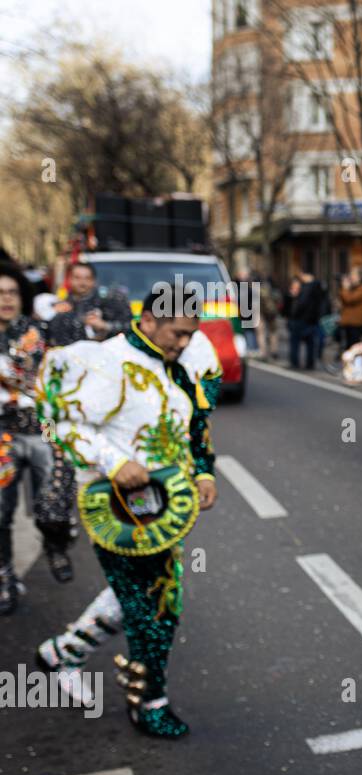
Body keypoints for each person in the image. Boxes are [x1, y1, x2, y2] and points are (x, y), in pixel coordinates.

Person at [39, 285, 219, 734]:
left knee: (138, 592)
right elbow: (55, 422)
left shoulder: (185, 361)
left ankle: (63, 653)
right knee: (159, 603)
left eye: (190, 335)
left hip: (167, 508)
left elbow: (196, 425)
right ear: (150, 319)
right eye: (176, 333)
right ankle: (149, 701)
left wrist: (203, 472)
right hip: (117, 507)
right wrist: (113, 462)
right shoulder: (104, 361)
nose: (183, 343)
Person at [1, 262, 83, 613]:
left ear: (22, 296)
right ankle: (4, 575)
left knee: (53, 502)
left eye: (11, 292)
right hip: (1, 432)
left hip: (43, 425)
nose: (5, 299)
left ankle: (55, 543)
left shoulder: (40, 331)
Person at [57, 261, 132, 341]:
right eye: (77, 278)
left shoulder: (109, 301)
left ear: (93, 280)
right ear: (69, 279)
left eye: (87, 278)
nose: (82, 283)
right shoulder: (60, 305)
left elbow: (130, 327)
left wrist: (105, 326)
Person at [288, 271, 326, 370]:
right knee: (311, 343)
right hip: (313, 320)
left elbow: (301, 304)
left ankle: (295, 362)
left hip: (301, 319)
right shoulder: (319, 287)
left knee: (295, 342)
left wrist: (294, 315)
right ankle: (310, 363)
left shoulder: (307, 288)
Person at [338, 268, 362, 351]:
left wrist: (345, 288)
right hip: (350, 323)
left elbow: (349, 299)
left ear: (360, 277)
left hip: (356, 324)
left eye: (353, 275)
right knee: (349, 347)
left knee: (354, 348)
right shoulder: (354, 288)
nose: (350, 277)